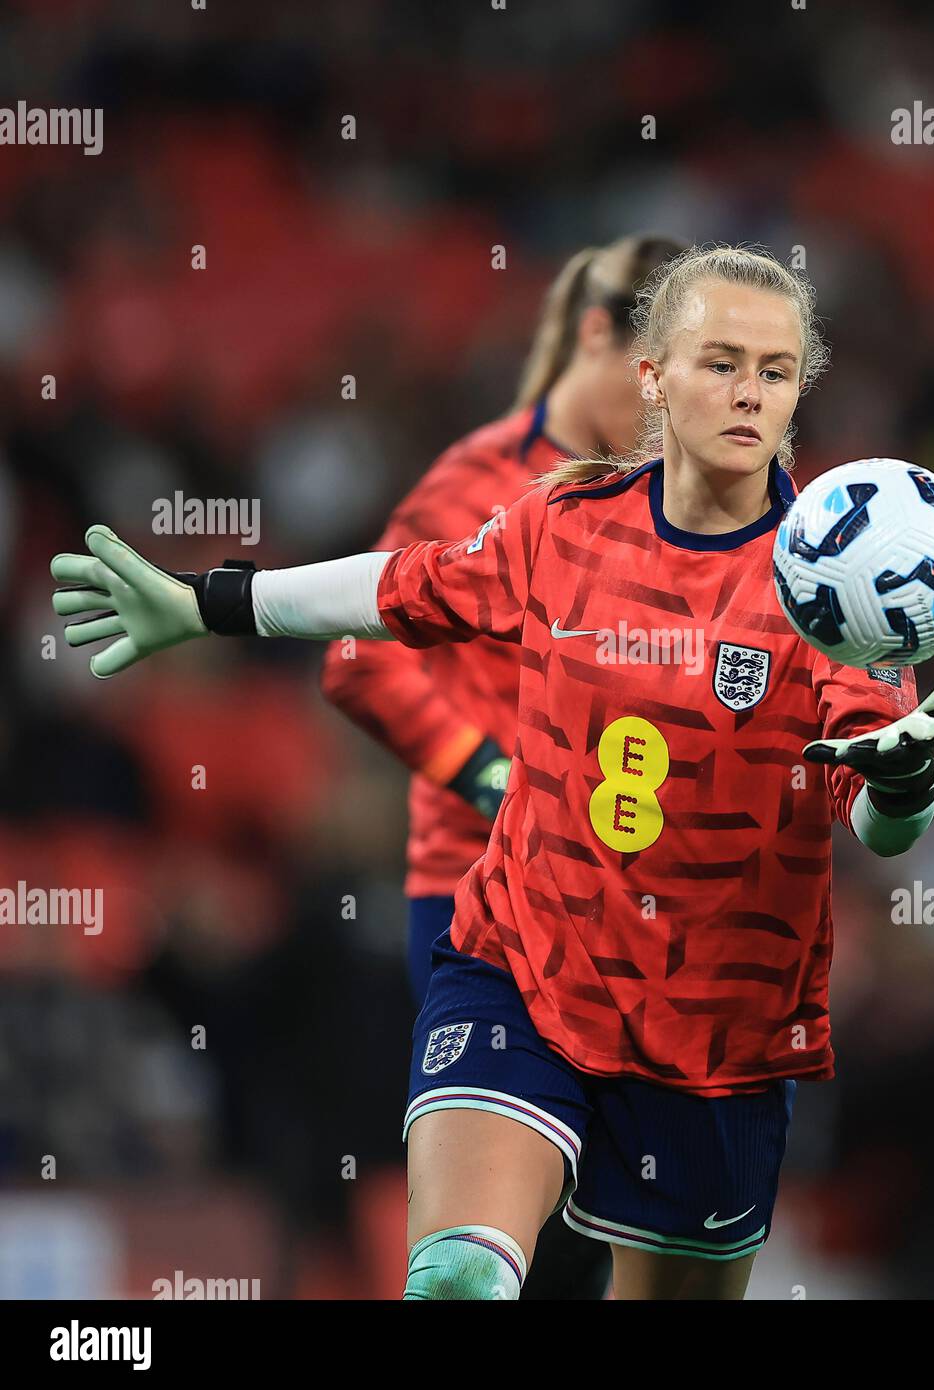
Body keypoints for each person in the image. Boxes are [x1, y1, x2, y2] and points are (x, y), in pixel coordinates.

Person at [51, 244, 934, 1301]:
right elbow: (406, 588)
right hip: (523, 968)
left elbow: (878, 818)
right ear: (652, 376)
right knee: (458, 1279)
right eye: (719, 361)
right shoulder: (564, 523)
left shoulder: (832, 584)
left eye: (773, 371)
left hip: (721, 1038)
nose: (747, 392)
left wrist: (903, 789)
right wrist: (212, 601)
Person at [319, 233, 685, 1300]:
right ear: (592, 334)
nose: (666, 415)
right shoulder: (482, 479)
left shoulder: (665, 498)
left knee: (602, 1231)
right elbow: (357, 657)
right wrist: (486, 772)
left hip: (625, 908)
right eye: (653, 378)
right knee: (501, 1242)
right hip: (477, 903)